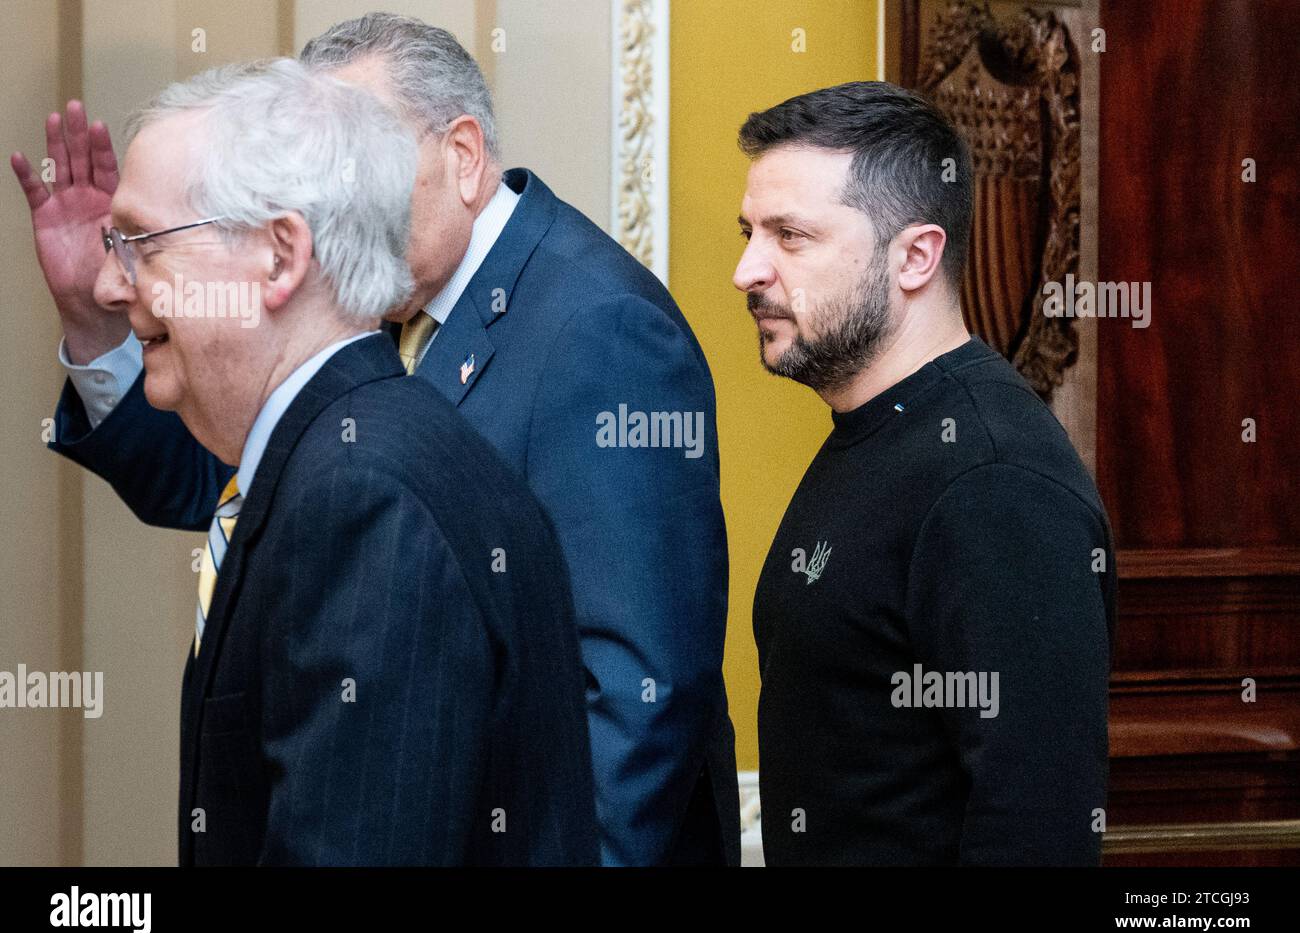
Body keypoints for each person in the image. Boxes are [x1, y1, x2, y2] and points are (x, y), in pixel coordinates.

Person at [11, 13, 738, 865]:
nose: (336, 195)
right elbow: (244, 486)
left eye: (357, 161)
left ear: (463, 155)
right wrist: (101, 333)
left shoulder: (601, 328)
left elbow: (635, 698)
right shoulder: (373, 313)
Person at [735, 81, 1114, 865]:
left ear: (915, 256)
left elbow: (1035, 825)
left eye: (790, 236)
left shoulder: (993, 480)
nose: (747, 270)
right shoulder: (875, 430)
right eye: (748, 233)